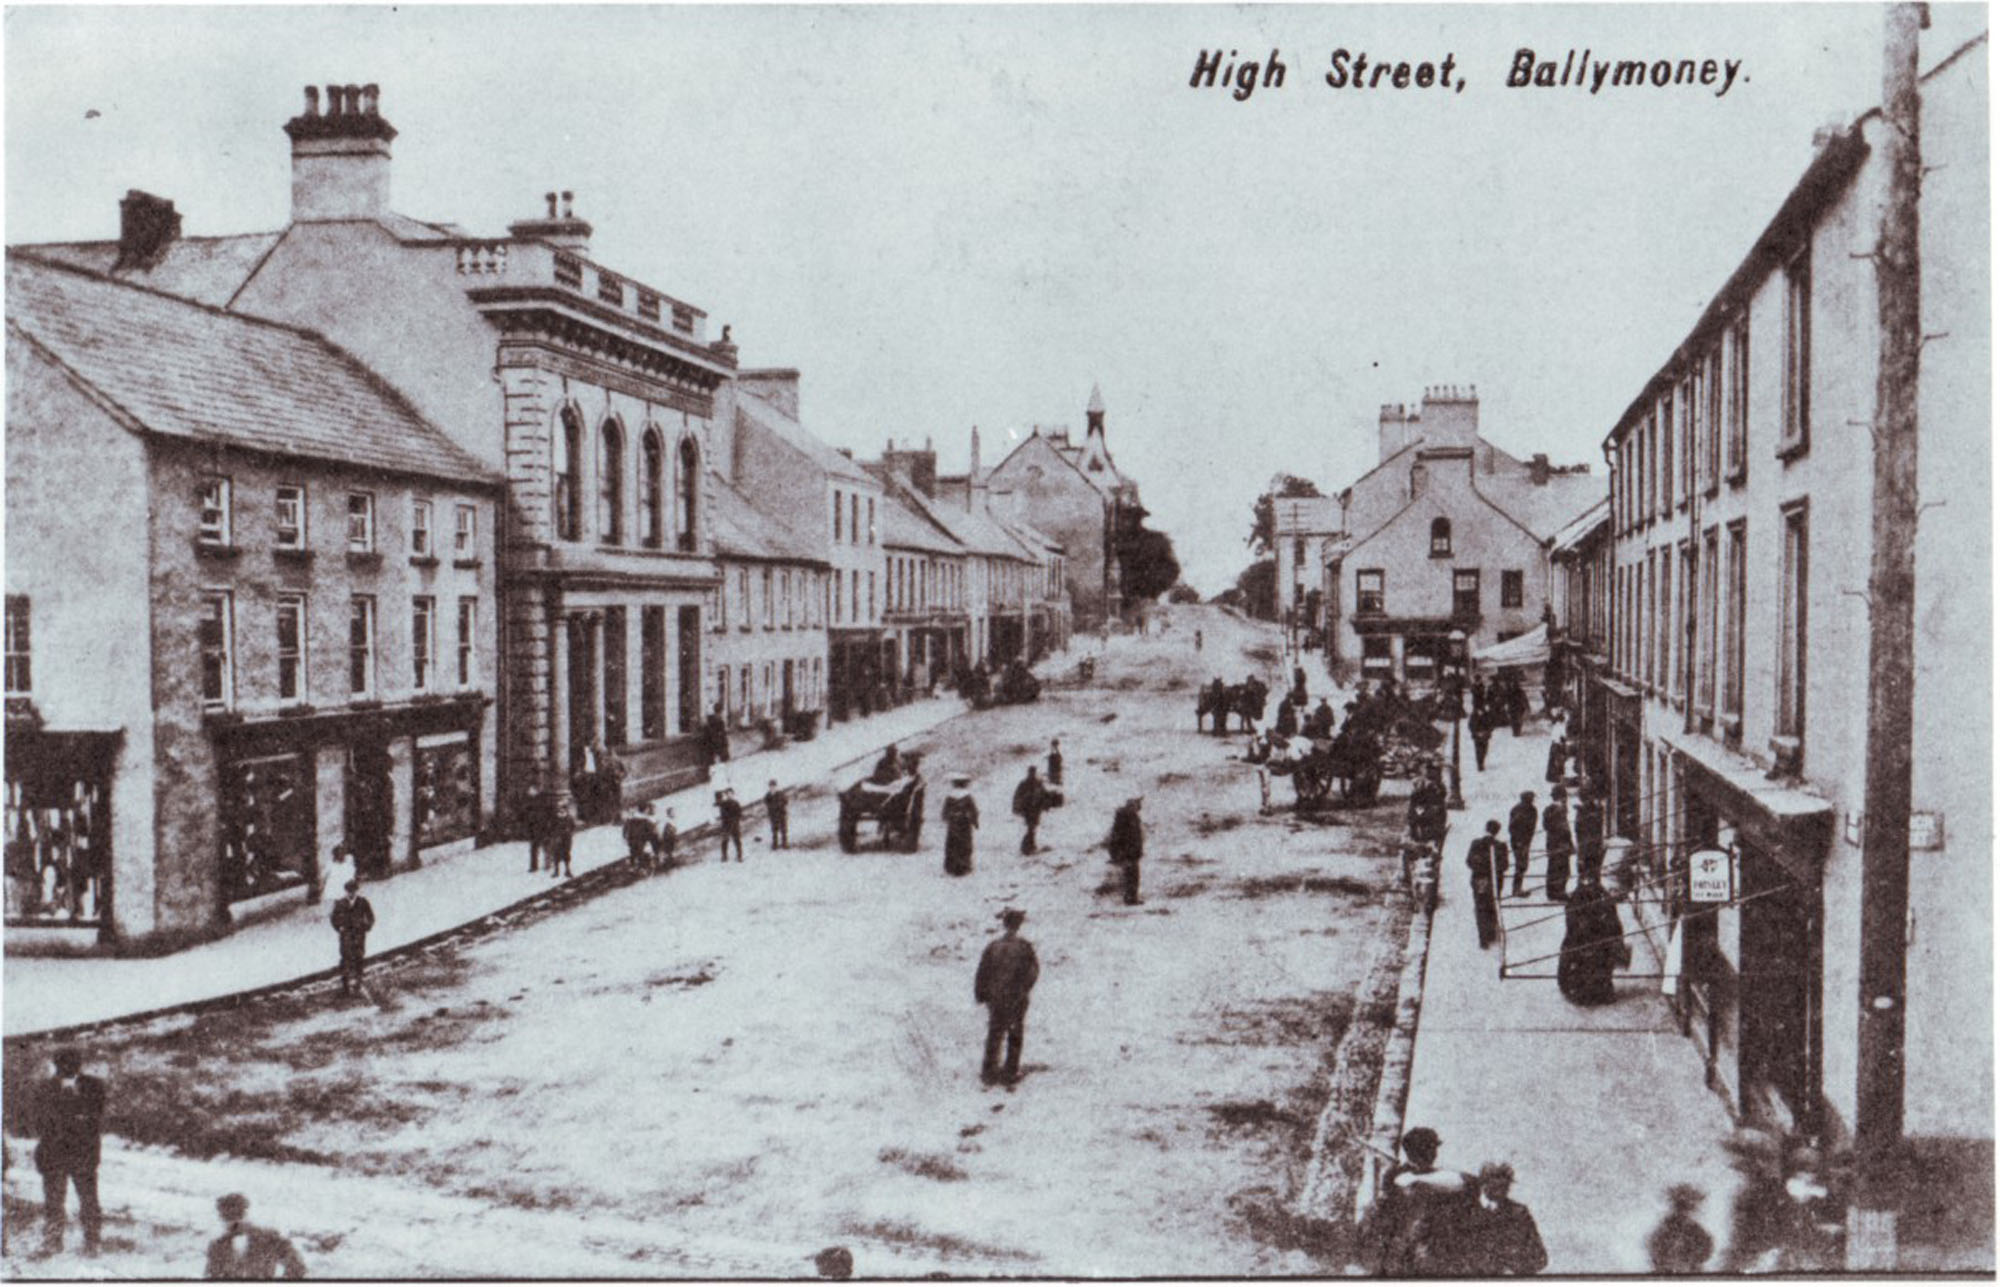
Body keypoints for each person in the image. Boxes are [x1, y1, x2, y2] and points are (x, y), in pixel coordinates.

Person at [1362, 1126, 1472, 1275]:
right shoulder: (1395, 1175)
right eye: (1431, 1148)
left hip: (1429, 1244)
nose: (1434, 1154)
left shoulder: (1434, 1175)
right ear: (1419, 1151)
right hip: (1401, 1244)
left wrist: (1420, 1178)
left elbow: (1465, 1183)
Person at [32, 1048, 105, 1257]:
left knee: (89, 1200)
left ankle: (92, 1242)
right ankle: (53, 1241)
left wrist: (69, 1119)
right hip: (53, 1155)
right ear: (57, 1065)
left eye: (73, 1063)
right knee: (53, 1201)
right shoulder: (44, 1088)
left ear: (79, 1065)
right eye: (64, 1064)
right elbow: (39, 1121)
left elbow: (95, 1116)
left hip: (83, 1154)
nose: (68, 1068)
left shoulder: (93, 1086)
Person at [974, 908, 1040, 1088]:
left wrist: (981, 994)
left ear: (1004, 924)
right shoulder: (1024, 947)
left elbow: (982, 972)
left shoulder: (993, 946)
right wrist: (1024, 990)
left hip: (995, 997)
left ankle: (988, 1072)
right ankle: (1010, 1073)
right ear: (1018, 925)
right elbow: (1033, 971)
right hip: (1015, 996)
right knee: (1015, 1032)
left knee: (994, 1032)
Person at [1453, 1162, 1547, 1276]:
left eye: (1505, 1187)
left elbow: (1539, 1256)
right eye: (1496, 1186)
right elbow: (1450, 1252)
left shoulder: (1519, 1214)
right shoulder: (1463, 1211)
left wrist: (1514, 1269)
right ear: (1483, 1184)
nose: (1502, 1191)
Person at [1557, 875, 1629, 1005]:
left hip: (1594, 947)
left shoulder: (1603, 902)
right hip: (1583, 951)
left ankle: (1598, 986)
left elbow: (1616, 930)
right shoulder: (1582, 903)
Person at [204, 1193, 306, 1279]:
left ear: (247, 1214)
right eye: (227, 1217)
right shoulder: (217, 1246)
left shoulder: (271, 1239)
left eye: (239, 1215)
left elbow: (297, 1268)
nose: (234, 1222)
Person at [1648, 1183, 1715, 1273]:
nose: (1684, 1212)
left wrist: (1690, 1261)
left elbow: (1706, 1250)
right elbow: (1655, 1251)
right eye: (1681, 1206)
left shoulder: (1698, 1232)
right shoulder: (1663, 1230)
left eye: (1688, 1207)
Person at [330, 879, 374, 996]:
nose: (351, 893)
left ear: (356, 891)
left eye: (353, 891)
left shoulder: (362, 902)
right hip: (346, 936)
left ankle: (358, 984)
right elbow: (333, 918)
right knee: (345, 959)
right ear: (346, 891)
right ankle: (345, 986)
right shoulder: (340, 903)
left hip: (359, 935)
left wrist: (366, 927)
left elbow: (370, 916)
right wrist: (339, 928)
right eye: (349, 891)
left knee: (359, 957)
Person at [1467, 821, 1506, 949]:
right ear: (1497, 832)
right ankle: (1491, 933)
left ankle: (1483, 938)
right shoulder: (1501, 846)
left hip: (1479, 880)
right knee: (1492, 905)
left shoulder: (1476, 843)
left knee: (1480, 906)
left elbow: (1469, 862)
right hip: (1494, 882)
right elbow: (1504, 866)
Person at [1108, 796, 1145, 906]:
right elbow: (1128, 836)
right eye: (1138, 804)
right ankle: (1131, 899)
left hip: (1130, 852)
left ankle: (1131, 898)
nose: (1140, 807)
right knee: (1132, 876)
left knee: (1131, 875)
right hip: (1129, 852)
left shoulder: (1126, 816)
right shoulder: (1129, 816)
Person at [941, 774, 980, 877]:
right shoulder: (968, 797)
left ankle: (951, 866)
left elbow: (945, 811)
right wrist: (975, 821)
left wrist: (947, 817)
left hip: (953, 823)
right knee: (964, 843)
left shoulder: (950, 797)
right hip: (964, 823)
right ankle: (964, 866)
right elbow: (973, 810)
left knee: (952, 843)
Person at [1542, 786, 1575, 902]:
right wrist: (1570, 844)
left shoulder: (1548, 809)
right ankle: (1559, 892)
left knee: (1552, 868)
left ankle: (1551, 892)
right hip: (1561, 844)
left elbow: (1546, 826)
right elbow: (1565, 829)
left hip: (1552, 843)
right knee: (1563, 869)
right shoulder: (1560, 810)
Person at [1012, 765, 1050, 855]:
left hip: (1036, 809)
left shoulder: (1038, 783)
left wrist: (1045, 805)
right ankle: (1028, 846)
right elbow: (1017, 796)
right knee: (1031, 827)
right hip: (1028, 809)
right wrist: (1017, 808)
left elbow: (1044, 795)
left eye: (1033, 772)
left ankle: (1030, 845)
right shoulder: (1024, 784)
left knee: (1033, 827)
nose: (1032, 774)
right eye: (1031, 772)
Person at [1507, 791, 1538, 898]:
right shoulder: (1522, 810)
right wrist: (1519, 841)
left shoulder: (1529, 809)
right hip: (1520, 841)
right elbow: (1512, 827)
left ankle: (1517, 888)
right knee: (1521, 864)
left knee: (1522, 864)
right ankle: (1516, 889)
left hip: (1524, 841)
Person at [1575, 789, 1607, 885]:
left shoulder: (1581, 812)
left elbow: (1578, 831)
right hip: (1592, 846)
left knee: (1585, 871)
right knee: (1593, 871)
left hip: (1586, 846)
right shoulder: (1596, 810)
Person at [622, 801, 659, 874]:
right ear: (646, 810)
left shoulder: (631, 819)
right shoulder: (645, 820)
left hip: (632, 841)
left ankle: (634, 867)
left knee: (634, 853)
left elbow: (625, 829)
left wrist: (625, 838)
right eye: (647, 809)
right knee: (645, 852)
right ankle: (644, 867)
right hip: (641, 842)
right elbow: (651, 832)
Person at [547, 790, 576, 878]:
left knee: (566, 854)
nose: (561, 810)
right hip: (557, 838)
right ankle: (556, 871)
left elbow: (573, 826)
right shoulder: (555, 818)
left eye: (562, 809)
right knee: (556, 854)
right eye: (559, 809)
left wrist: (569, 832)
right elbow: (551, 827)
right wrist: (554, 835)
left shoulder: (569, 818)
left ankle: (567, 870)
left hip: (567, 838)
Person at [522, 785, 551, 874]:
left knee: (546, 847)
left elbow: (549, 814)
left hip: (543, 827)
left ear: (536, 790)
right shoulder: (529, 801)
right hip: (533, 828)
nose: (530, 792)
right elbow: (526, 815)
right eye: (529, 790)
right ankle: (534, 866)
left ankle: (547, 864)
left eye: (531, 790)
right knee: (534, 848)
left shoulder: (543, 800)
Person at [717, 789, 745, 862]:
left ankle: (739, 856)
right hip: (726, 825)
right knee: (724, 840)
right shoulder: (724, 804)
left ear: (733, 794)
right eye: (728, 794)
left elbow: (739, 814)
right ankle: (724, 856)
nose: (729, 795)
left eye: (731, 794)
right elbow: (722, 815)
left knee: (737, 841)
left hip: (735, 825)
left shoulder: (736, 803)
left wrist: (736, 820)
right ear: (726, 795)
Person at [765, 780, 790, 849]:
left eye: (773, 786)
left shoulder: (780, 794)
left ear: (776, 786)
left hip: (781, 814)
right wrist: (771, 808)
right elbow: (766, 803)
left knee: (783, 830)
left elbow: (786, 801)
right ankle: (775, 844)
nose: (772, 788)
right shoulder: (768, 795)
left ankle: (784, 844)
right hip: (773, 815)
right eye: (771, 786)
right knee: (774, 830)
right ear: (769, 787)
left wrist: (780, 805)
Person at [1470, 702, 1494, 772]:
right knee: (1478, 750)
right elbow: (1471, 725)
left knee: (1484, 750)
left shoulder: (1487, 715)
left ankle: (1482, 761)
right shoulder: (1474, 716)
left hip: (1485, 736)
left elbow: (1491, 724)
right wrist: (1476, 732)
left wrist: (1486, 732)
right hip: (1477, 736)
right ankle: (1480, 764)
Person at [657, 807, 679, 872]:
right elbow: (667, 832)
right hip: (668, 839)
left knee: (670, 852)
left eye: (674, 812)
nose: (674, 814)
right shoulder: (668, 823)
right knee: (669, 852)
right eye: (672, 812)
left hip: (670, 839)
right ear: (669, 814)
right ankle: (669, 864)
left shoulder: (671, 821)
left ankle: (670, 863)